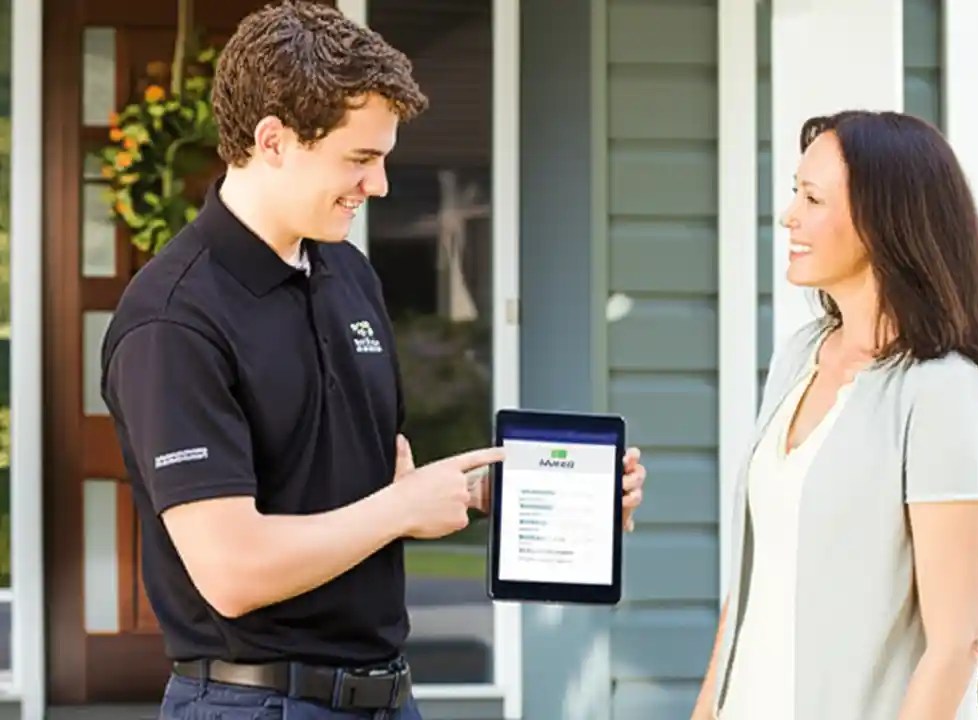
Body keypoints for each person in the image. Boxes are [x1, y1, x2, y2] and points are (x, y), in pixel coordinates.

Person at [99, 3, 647, 719]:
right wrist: (397, 509)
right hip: (252, 704)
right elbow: (231, 571)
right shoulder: (174, 320)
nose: (380, 184)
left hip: (386, 696)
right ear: (273, 141)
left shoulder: (348, 274)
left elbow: (370, 492)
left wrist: (522, 494)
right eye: (360, 158)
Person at [690, 110, 978, 719]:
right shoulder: (799, 355)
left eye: (812, 199)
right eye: (795, 194)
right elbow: (755, 582)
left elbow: (958, 642)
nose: (790, 216)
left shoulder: (942, 391)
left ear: (884, 222)